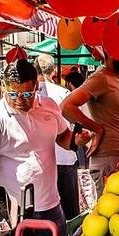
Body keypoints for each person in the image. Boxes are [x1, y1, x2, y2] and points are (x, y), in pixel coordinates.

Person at [0, 57, 80, 236]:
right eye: (13, 94)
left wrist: (78, 141)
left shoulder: (49, 106)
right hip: (13, 209)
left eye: (26, 94)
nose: (19, 100)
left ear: (36, 87)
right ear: (4, 88)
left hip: (50, 204)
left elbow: (63, 136)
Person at [62, 57, 119, 196]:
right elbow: (66, 107)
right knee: (111, 214)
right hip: (108, 162)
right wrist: (97, 129)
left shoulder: (118, 77)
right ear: (108, 52)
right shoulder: (100, 78)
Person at [34, 53, 81, 220]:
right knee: (70, 213)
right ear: (53, 71)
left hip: (41, 161)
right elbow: (75, 122)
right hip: (64, 157)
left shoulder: (29, 95)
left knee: (45, 212)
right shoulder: (63, 93)